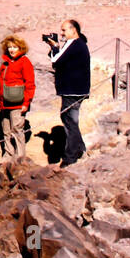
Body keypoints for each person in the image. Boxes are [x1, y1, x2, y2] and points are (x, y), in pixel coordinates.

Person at [46, 19, 90, 167]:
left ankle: (70, 156)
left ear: (73, 30)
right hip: (77, 89)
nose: (62, 33)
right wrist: (56, 47)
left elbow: (57, 60)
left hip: (72, 90)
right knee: (71, 120)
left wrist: (54, 46)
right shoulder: (80, 44)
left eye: (64, 30)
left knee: (69, 121)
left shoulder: (73, 43)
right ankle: (80, 148)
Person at [0, 34, 35, 167]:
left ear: (20, 48)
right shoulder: (5, 63)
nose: (12, 50)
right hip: (6, 103)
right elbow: (2, 83)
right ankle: (7, 159)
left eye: (15, 47)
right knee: (6, 130)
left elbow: (30, 84)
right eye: (10, 47)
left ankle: (20, 161)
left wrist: (26, 103)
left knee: (17, 130)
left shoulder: (24, 62)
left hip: (18, 103)